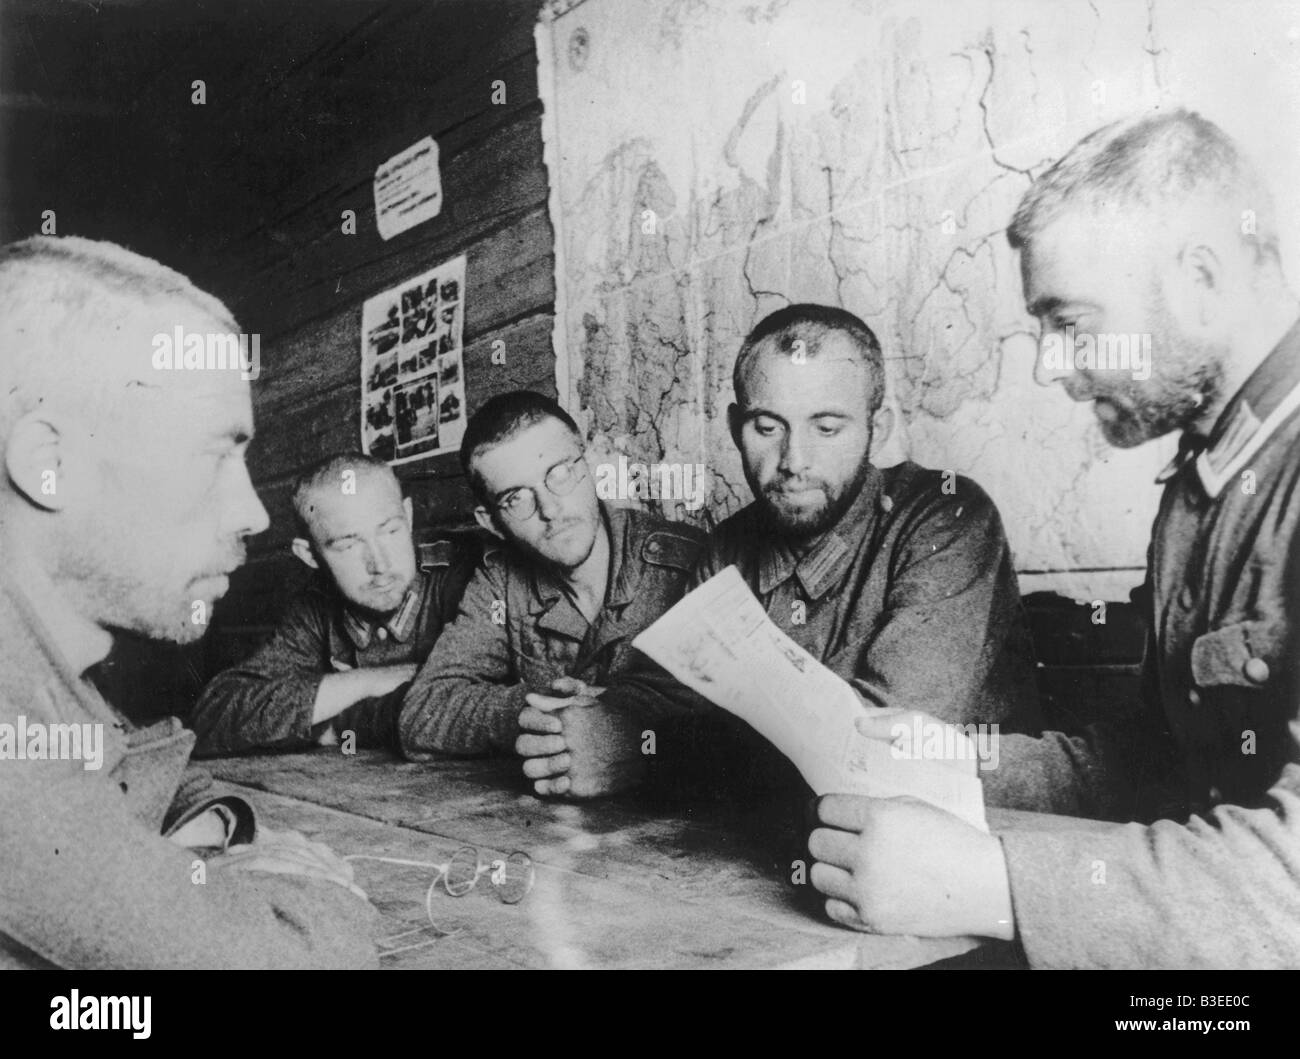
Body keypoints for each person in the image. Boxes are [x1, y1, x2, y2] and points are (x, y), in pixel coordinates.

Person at [808, 109, 1300, 968]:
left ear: (1200, 280)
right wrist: (954, 765)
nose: (1047, 365)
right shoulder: (1204, 486)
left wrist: (992, 883)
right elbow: (1155, 764)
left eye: (1069, 321)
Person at [0, 235, 375, 968]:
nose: (254, 513)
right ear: (49, 466)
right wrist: (307, 891)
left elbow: (139, 766)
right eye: (215, 455)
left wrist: (189, 849)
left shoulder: (42, 666)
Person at [519, 303, 1041, 798]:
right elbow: (675, 692)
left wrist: (645, 750)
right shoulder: (728, 546)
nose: (794, 459)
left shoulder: (948, 516)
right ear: (734, 428)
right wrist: (597, 717)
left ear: (877, 430)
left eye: (827, 427)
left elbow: (877, 749)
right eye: (767, 427)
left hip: (964, 842)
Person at [398, 391, 705, 762]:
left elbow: (735, 714)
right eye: (516, 498)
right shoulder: (500, 583)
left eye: (559, 474)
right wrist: (539, 708)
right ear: (491, 522)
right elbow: (423, 711)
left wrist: (615, 714)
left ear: (590, 464)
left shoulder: (690, 563)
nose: (550, 509)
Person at [190, 453, 482, 756]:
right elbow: (214, 715)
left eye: (390, 530)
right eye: (348, 545)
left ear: (408, 516)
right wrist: (369, 681)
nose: (380, 564)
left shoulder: (464, 576)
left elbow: (491, 702)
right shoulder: (316, 608)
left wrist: (339, 723)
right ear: (310, 555)